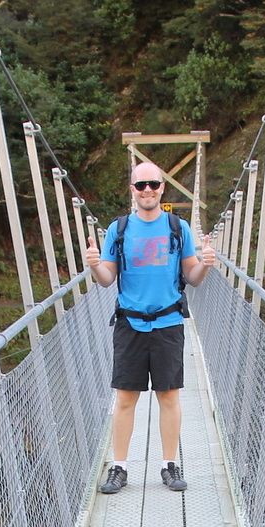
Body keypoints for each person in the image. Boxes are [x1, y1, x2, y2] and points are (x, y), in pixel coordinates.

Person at [85, 161, 216, 494]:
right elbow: (106, 280)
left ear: (162, 188)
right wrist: (94, 266)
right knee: (125, 398)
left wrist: (206, 266)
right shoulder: (119, 229)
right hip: (129, 324)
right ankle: (120, 467)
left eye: (153, 185)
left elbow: (193, 278)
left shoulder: (178, 227)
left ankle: (169, 465)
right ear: (132, 190)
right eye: (140, 185)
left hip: (168, 323)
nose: (147, 191)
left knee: (168, 397)